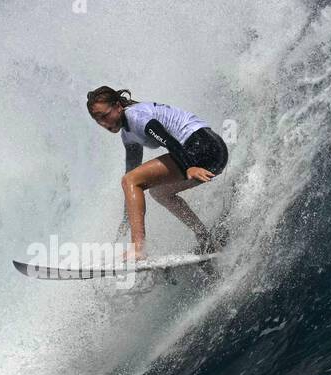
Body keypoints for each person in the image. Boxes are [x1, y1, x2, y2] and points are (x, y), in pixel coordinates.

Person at [86, 86, 228, 260]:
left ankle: (138, 249)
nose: (103, 123)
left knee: (130, 180)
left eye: (104, 116)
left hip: (203, 147)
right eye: (97, 120)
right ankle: (205, 238)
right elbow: (132, 173)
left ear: (117, 106)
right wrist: (127, 214)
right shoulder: (128, 135)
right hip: (213, 153)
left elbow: (167, 139)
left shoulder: (136, 116)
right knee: (159, 192)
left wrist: (188, 167)